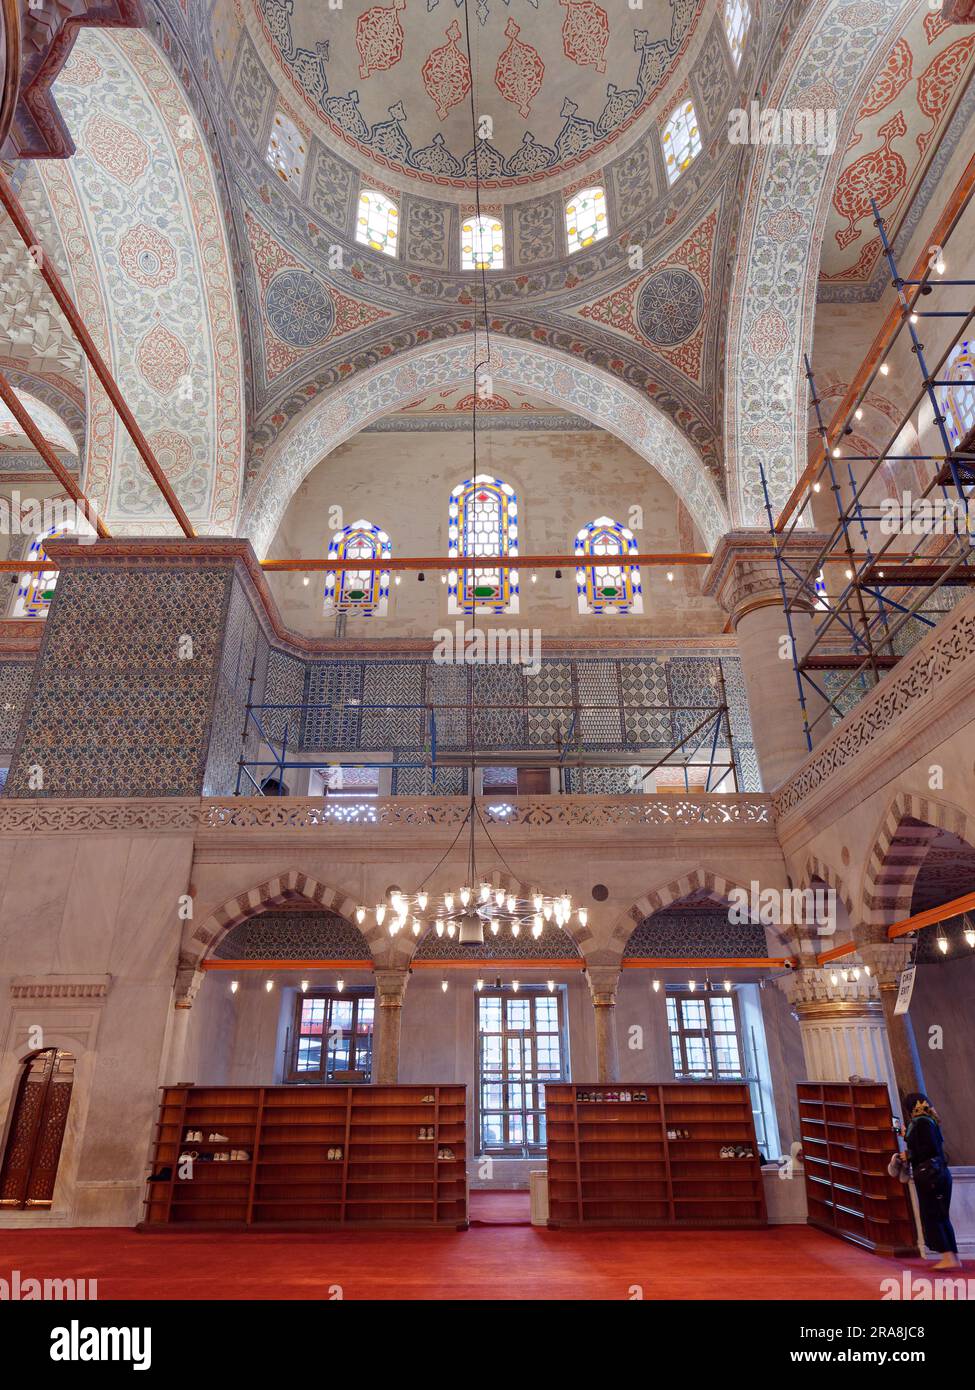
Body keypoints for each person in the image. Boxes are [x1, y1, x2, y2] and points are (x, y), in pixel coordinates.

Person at [894, 1093, 961, 1270]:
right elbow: (928, 1144)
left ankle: (948, 1257)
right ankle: (952, 1256)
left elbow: (928, 1149)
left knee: (932, 1216)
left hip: (930, 1175)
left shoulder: (921, 1123)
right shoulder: (929, 1122)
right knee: (941, 1216)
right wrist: (907, 1137)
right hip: (938, 1174)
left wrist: (909, 1154)